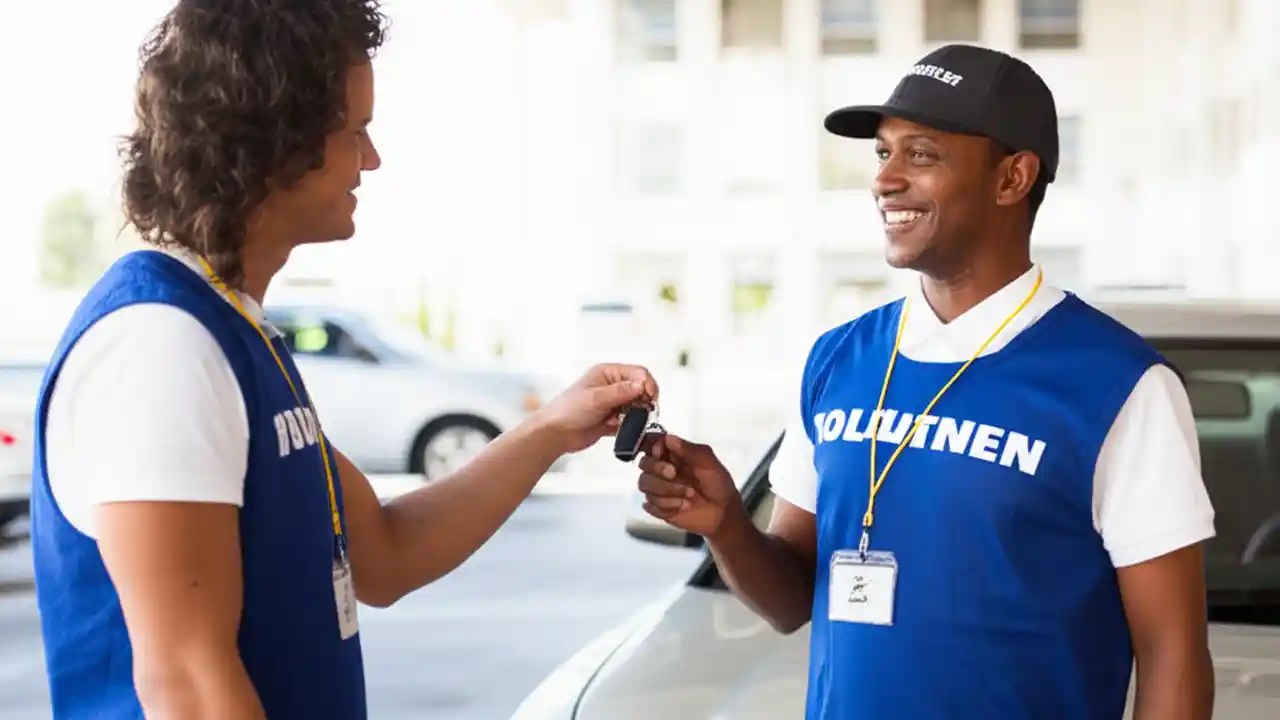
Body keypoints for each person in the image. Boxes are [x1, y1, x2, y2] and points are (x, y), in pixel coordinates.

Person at [28, 2, 658, 718]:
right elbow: (190, 688)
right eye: (354, 131)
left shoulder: (230, 327)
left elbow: (385, 553)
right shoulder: (161, 343)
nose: (372, 158)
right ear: (272, 141)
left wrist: (551, 429)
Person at [636, 44, 1215, 720]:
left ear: (1013, 177)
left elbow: (1173, 654)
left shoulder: (1121, 385)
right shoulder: (838, 360)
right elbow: (792, 602)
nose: (885, 180)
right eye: (883, 153)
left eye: (921, 154)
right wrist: (727, 526)